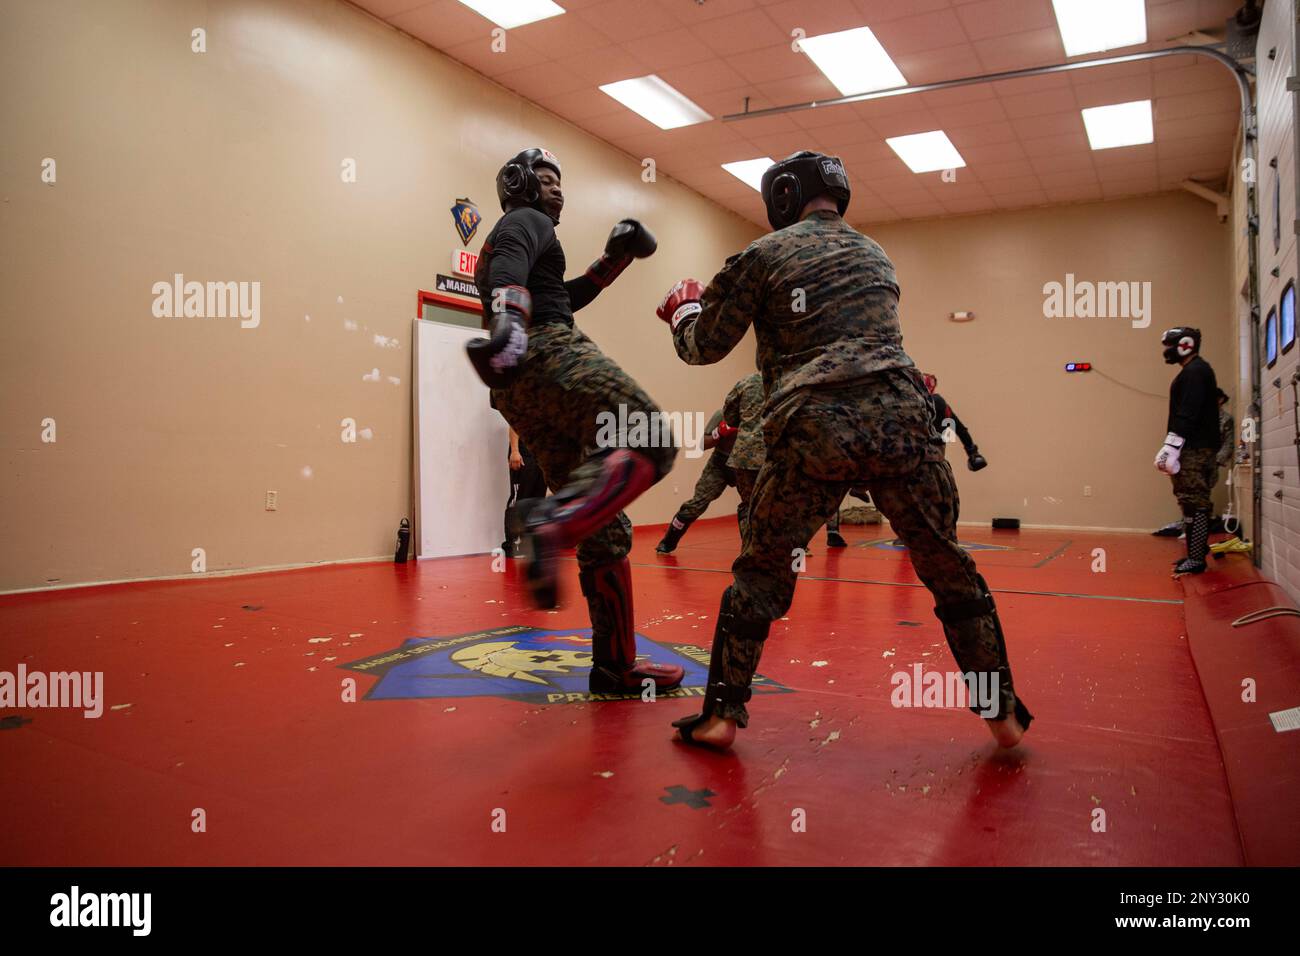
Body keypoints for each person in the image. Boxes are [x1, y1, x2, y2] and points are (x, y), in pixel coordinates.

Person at [655, 150, 1032, 751]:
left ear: (782, 196)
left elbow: (703, 348)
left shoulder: (763, 253)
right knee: (949, 570)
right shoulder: (876, 253)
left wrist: (685, 311)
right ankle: (1002, 713)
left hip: (815, 426)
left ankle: (721, 717)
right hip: (904, 424)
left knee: (759, 573)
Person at [467, 147, 683, 695]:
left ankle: (614, 669)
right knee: (650, 434)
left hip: (520, 388)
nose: (556, 189)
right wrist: (510, 324)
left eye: (561, 180)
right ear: (518, 184)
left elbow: (561, 297)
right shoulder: (524, 220)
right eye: (544, 178)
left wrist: (614, 259)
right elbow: (512, 267)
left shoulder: (531, 233)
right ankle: (551, 521)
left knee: (605, 533)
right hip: (543, 352)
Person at [1154, 327, 1220, 575]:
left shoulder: (1195, 372)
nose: (1166, 351)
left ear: (1185, 344)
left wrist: (1172, 444)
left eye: (1169, 345)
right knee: (1189, 500)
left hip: (1194, 447)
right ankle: (1195, 551)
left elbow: (1188, 411)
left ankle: (1196, 556)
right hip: (1193, 446)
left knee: (1195, 501)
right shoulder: (1195, 371)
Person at [655, 408, 738, 554]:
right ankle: (668, 542)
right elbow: (702, 444)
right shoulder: (723, 414)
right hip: (720, 463)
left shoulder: (762, 415)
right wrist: (718, 433)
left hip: (747, 465)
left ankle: (752, 552)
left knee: (753, 508)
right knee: (696, 504)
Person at [922, 373, 987, 472]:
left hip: (909, 459)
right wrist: (973, 453)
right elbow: (960, 430)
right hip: (935, 460)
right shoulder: (940, 403)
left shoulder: (914, 404)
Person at [502, 427, 546, 558]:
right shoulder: (525, 407)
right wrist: (515, 451)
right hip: (523, 455)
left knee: (537, 502)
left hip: (541, 456)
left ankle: (531, 546)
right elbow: (514, 425)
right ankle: (511, 545)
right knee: (519, 499)